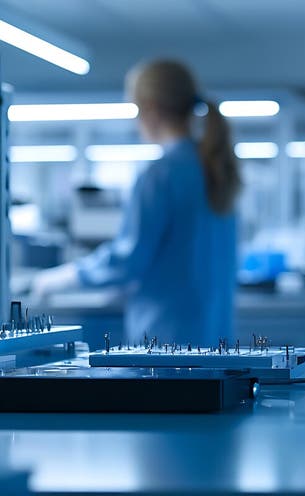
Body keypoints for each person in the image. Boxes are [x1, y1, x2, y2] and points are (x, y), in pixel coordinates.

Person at [30, 60, 241, 344]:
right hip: (215, 338)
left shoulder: (161, 174)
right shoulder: (215, 169)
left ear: (150, 108)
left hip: (168, 343)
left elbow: (128, 258)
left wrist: (63, 277)